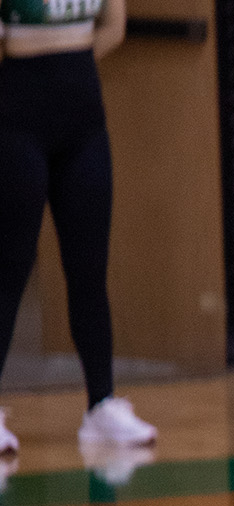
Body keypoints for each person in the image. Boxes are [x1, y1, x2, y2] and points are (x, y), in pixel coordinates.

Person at [0, 0, 158, 464]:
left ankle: (102, 403)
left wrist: (71, 62)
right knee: (9, 269)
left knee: (89, 268)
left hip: (84, 120)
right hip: (18, 120)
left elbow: (113, 26)